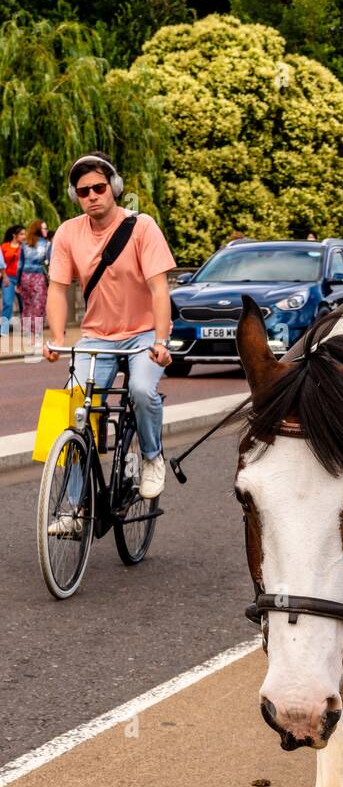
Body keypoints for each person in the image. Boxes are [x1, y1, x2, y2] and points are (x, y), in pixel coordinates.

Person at [43, 151, 176, 525]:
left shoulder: (142, 226)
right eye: (83, 191)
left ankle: (151, 456)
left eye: (99, 187)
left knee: (140, 390)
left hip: (143, 334)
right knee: (75, 408)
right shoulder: (69, 233)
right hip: (97, 337)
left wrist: (161, 340)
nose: (92, 195)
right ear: (76, 196)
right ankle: (73, 507)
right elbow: (57, 289)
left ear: (114, 187)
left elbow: (158, 287)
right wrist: (55, 338)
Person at [17, 220, 52, 323]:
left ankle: (28, 330)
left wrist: (18, 282)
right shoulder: (47, 244)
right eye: (44, 228)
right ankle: (36, 331)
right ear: (38, 230)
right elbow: (51, 263)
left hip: (25, 277)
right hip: (38, 277)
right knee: (38, 303)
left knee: (26, 303)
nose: (46, 230)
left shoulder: (25, 244)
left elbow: (20, 265)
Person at [1, 224, 24, 330]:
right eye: (21, 234)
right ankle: (3, 329)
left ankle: (28, 329)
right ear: (14, 235)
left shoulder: (25, 247)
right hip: (8, 278)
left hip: (22, 279)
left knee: (25, 305)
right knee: (7, 303)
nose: (24, 236)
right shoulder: (4, 246)